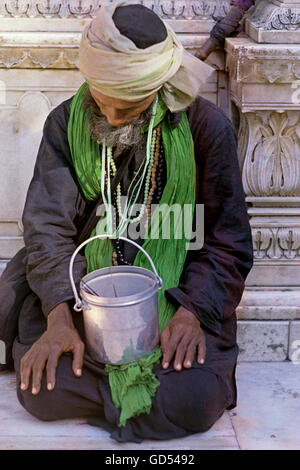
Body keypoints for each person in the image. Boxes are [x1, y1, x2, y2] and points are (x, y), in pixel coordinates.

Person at [0, 1, 253, 443]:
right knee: (37, 387)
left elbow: (228, 242)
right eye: (103, 101)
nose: (113, 118)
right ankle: (129, 399)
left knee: (192, 396)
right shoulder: (65, 123)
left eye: (130, 106)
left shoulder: (207, 129)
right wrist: (59, 317)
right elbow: (48, 228)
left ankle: (113, 396)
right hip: (88, 295)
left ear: (155, 88)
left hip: (178, 293)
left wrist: (192, 313)